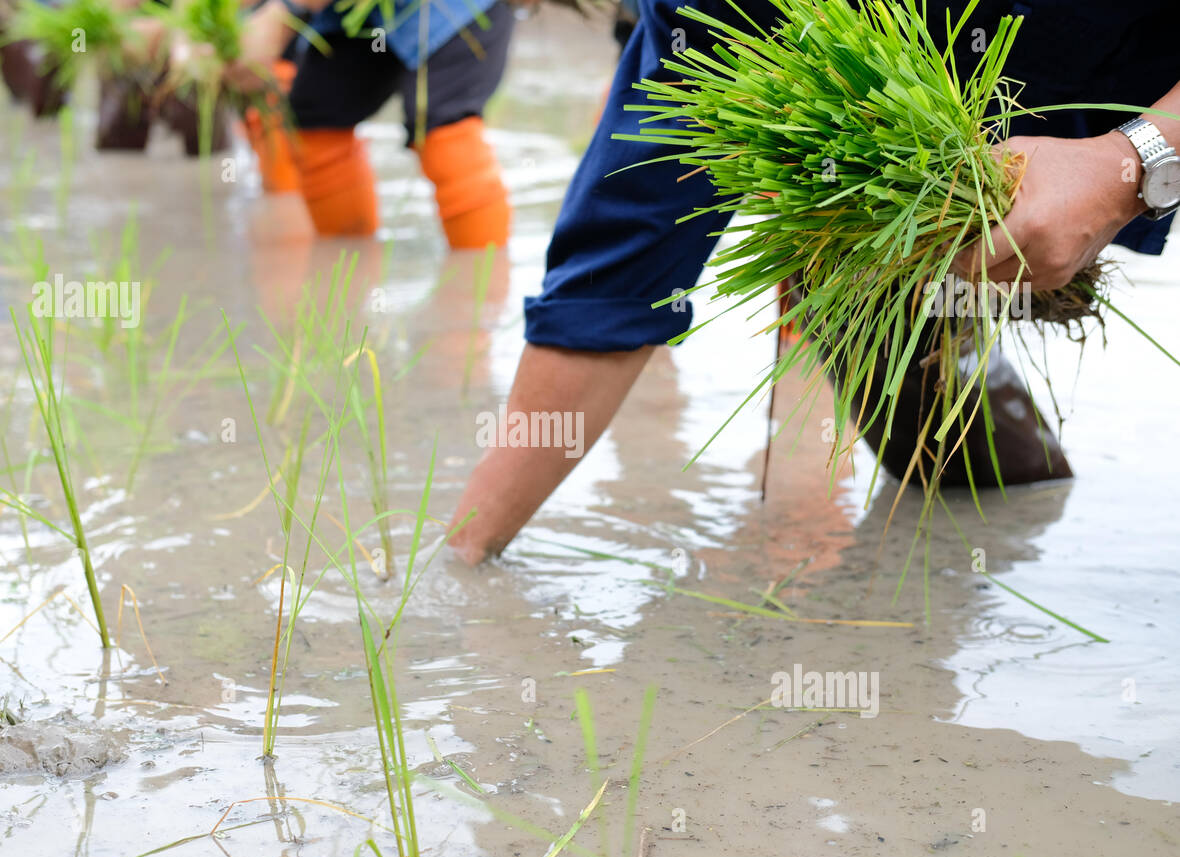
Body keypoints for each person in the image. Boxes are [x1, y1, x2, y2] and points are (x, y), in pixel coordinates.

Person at [445, 0, 1180, 564]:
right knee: (968, 466)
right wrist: (464, 555)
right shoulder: (713, 15)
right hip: (932, 196)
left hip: (1134, 108)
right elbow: (620, 259)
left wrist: (1131, 165)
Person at [228, 0, 516, 247]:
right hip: (359, 12)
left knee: (443, 127)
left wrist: (284, 13)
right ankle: (345, 271)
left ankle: (479, 288)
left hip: (451, 9)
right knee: (316, 114)